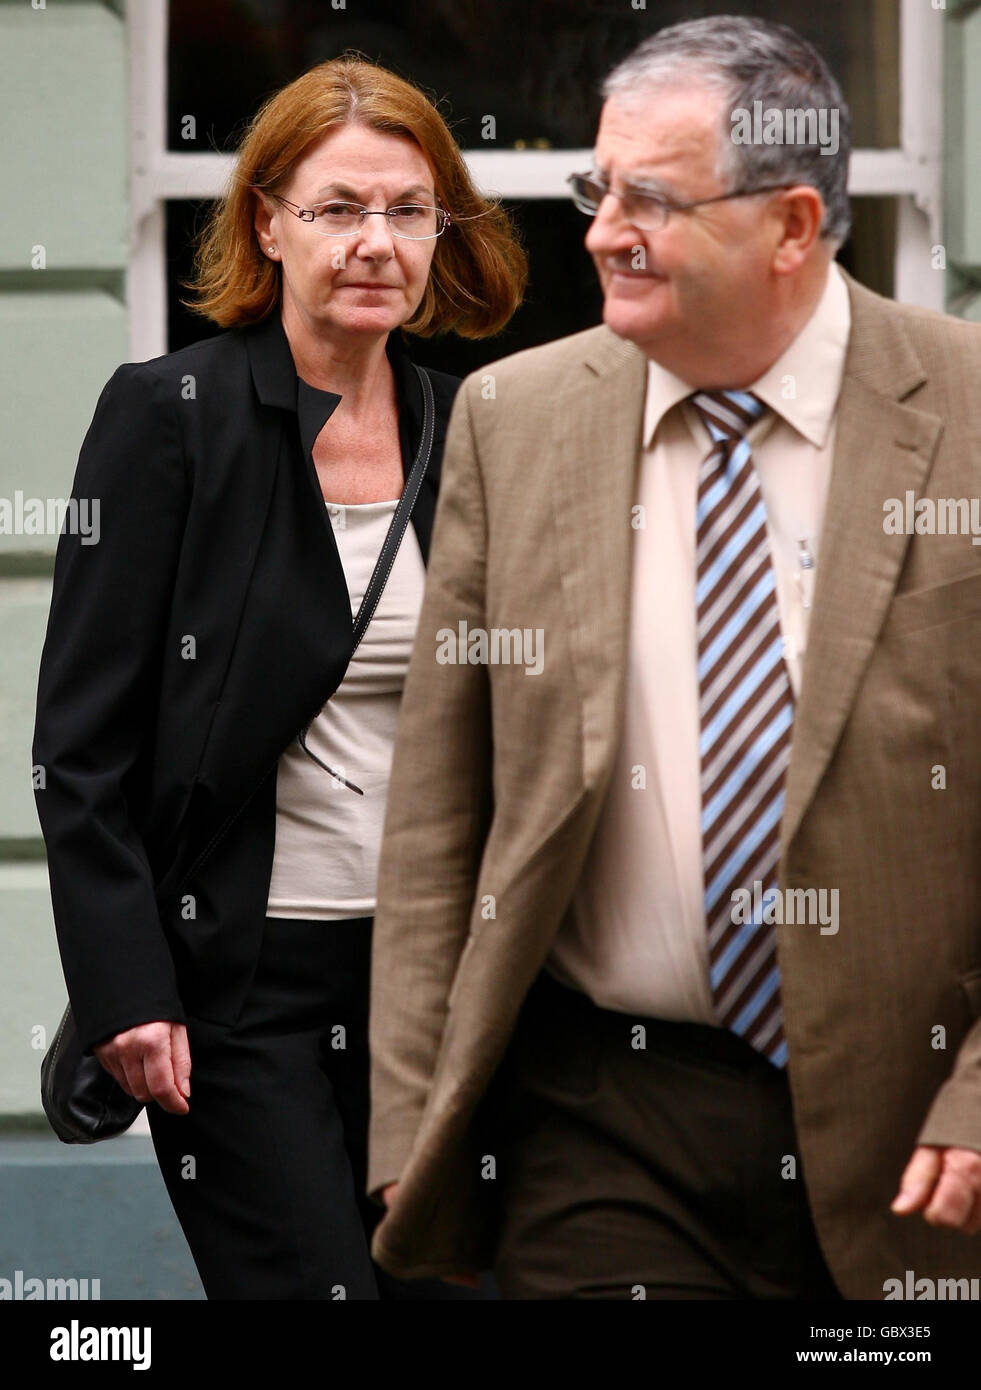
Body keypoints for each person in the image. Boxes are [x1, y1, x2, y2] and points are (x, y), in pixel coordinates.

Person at [366, 16, 981, 1299]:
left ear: (793, 225)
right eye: (602, 188)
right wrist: (408, 1123)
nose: (600, 229)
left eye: (652, 197)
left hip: (917, 1123)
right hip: (607, 1113)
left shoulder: (966, 412)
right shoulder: (514, 420)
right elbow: (439, 809)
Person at [32, 55, 525, 1300]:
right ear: (267, 223)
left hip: (435, 987)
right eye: (338, 209)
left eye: (410, 211)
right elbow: (80, 747)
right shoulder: (170, 417)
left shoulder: (473, 432)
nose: (377, 243)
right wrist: (125, 989)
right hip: (236, 991)